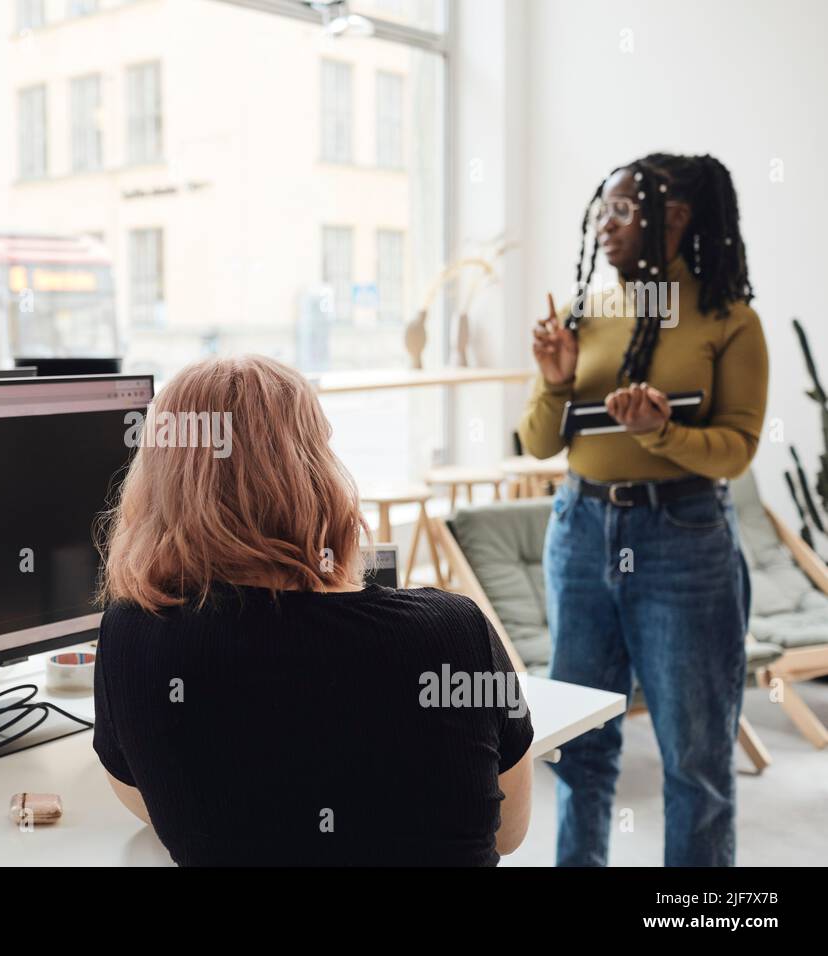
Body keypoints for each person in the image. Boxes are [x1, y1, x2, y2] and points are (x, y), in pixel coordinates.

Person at [92, 355, 533, 866]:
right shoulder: (455, 635)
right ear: (316, 474)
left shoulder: (131, 637)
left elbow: (147, 804)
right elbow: (509, 832)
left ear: (159, 486)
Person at [520, 153, 768, 867]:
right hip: (580, 533)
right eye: (602, 209)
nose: (606, 224)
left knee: (695, 756)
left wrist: (660, 432)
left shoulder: (729, 320)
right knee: (581, 744)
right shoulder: (584, 314)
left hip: (684, 541)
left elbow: (736, 450)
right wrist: (556, 381)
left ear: (677, 218)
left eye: (623, 210)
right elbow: (539, 441)